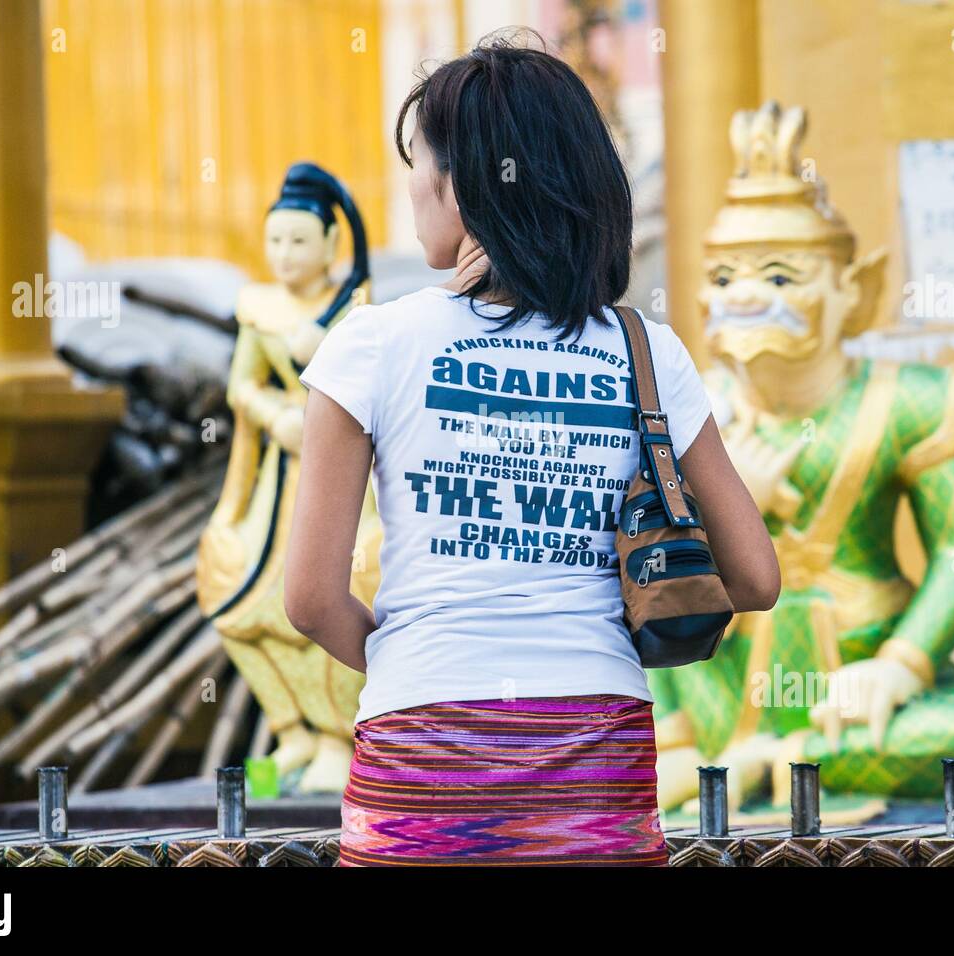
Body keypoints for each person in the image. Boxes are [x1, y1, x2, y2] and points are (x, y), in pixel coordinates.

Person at [284, 31, 780, 867]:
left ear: (461, 183)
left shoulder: (370, 344)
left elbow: (307, 598)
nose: (412, 184)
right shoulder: (645, 351)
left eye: (419, 161)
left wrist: (425, 664)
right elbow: (756, 579)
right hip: (596, 765)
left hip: (420, 758)